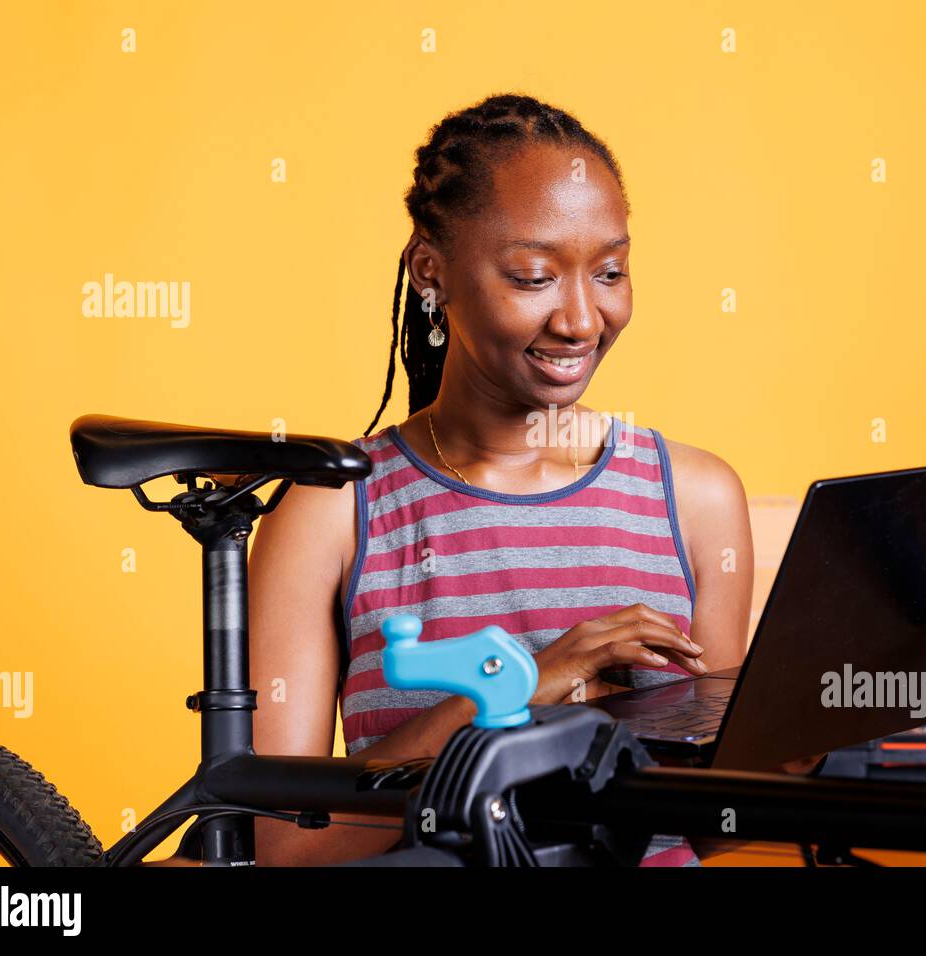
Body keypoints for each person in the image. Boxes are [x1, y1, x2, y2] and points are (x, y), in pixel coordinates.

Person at [248, 93, 754, 866]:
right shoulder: (334, 514)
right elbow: (286, 844)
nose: (582, 320)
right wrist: (525, 688)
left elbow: (723, 825)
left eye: (610, 271)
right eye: (533, 277)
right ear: (431, 270)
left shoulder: (698, 499)